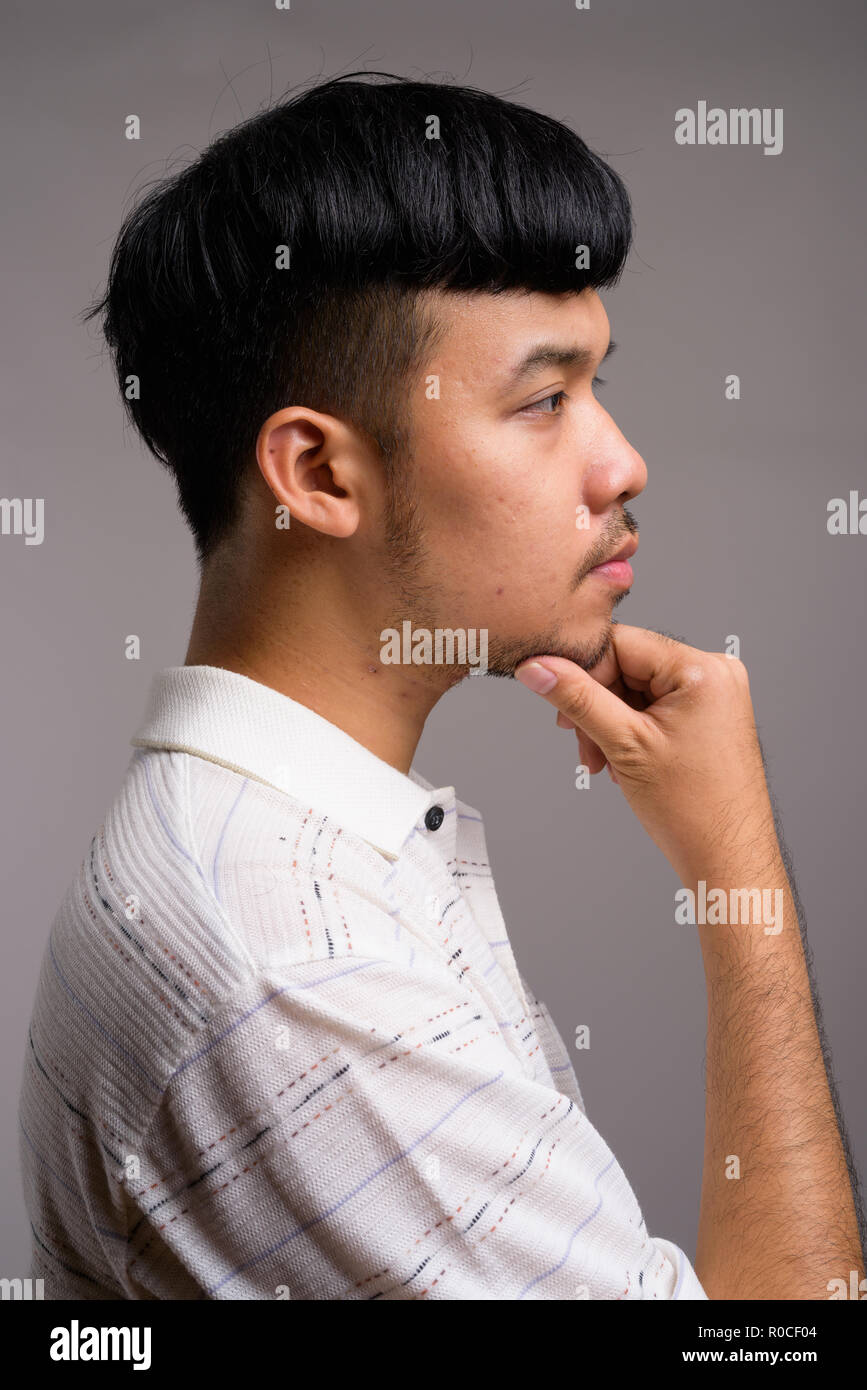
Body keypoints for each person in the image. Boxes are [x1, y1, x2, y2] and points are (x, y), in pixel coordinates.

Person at [19, 72, 864, 1300]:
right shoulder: (300, 975)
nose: (624, 461)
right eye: (544, 400)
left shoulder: (280, 857)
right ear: (316, 472)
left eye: (600, 385)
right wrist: (740, 871)